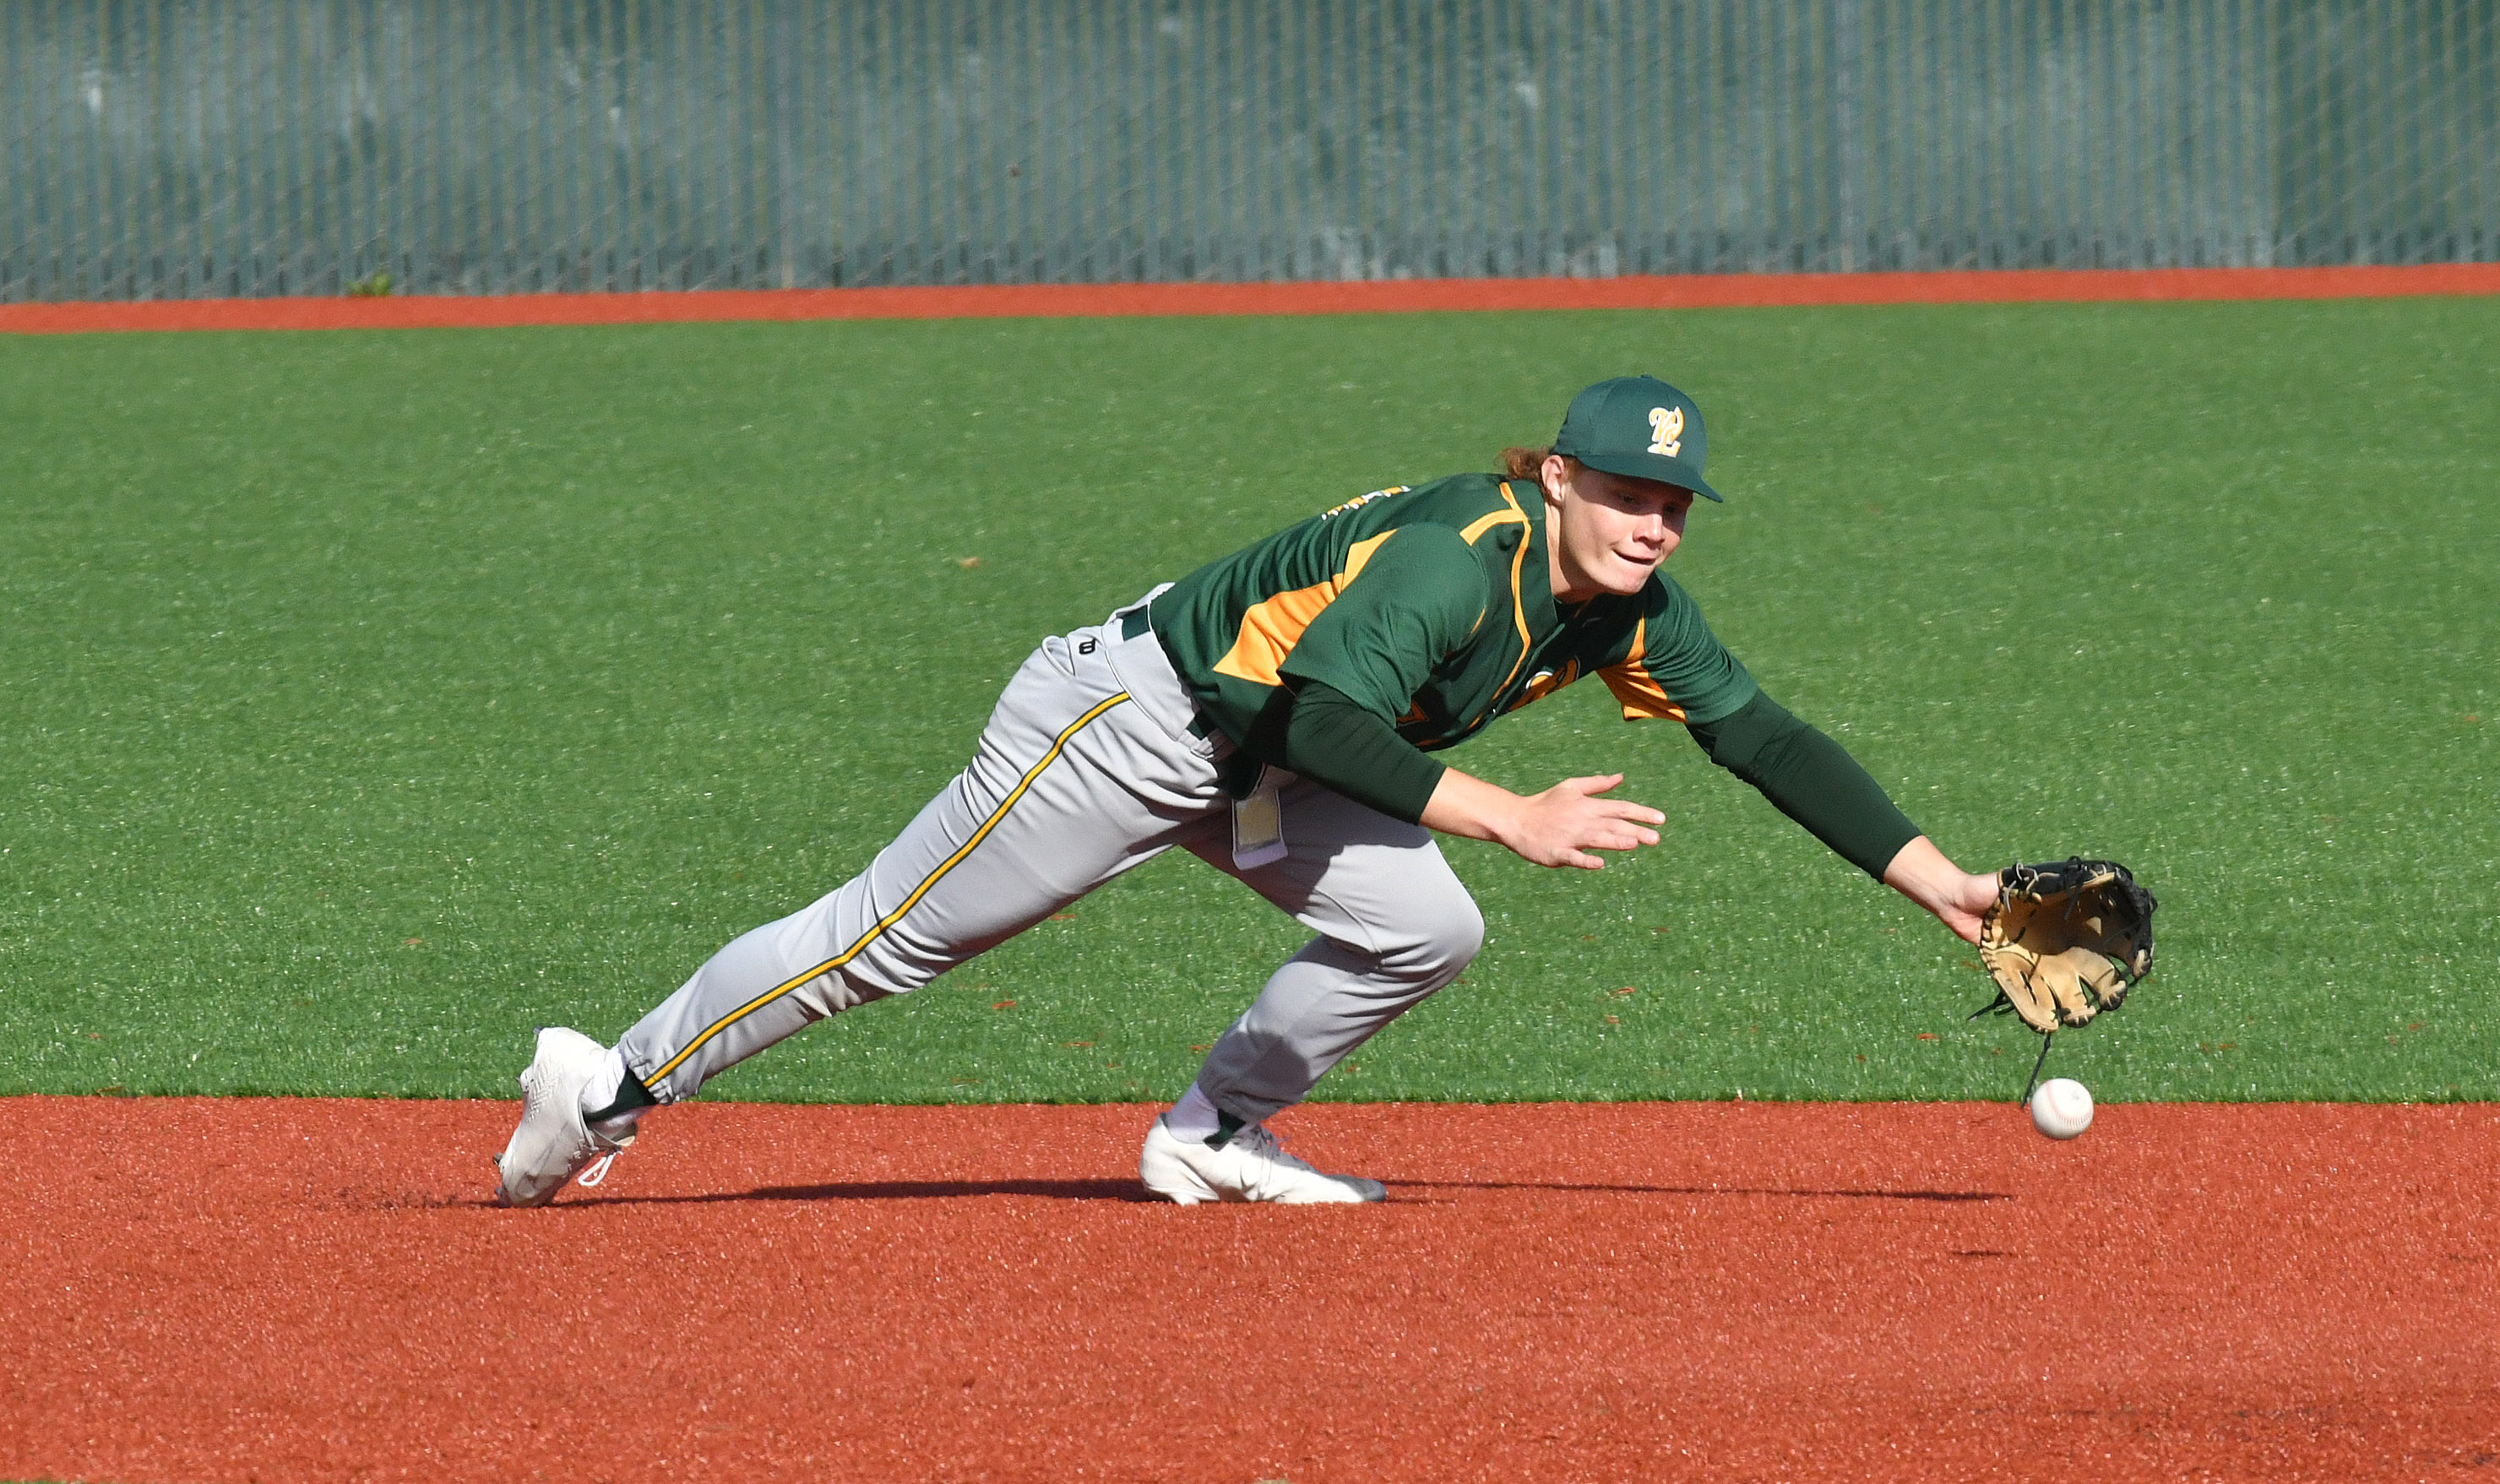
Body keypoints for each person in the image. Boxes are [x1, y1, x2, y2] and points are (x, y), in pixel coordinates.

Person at [496, 376, 1999, 1206]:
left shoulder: (1629, 609)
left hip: (1269, 752)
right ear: (1555, 478)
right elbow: (1339, 723)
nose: (1652, 524)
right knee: (887, 940)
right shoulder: (1447, 559)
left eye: (1673, 504)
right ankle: (609, 1084)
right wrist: (1510, 814)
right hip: (1135, 718)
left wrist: (1943, 882)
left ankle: (1212, 1131)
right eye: (1624, 494)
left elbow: (1765, 738)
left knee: (1424, 930)